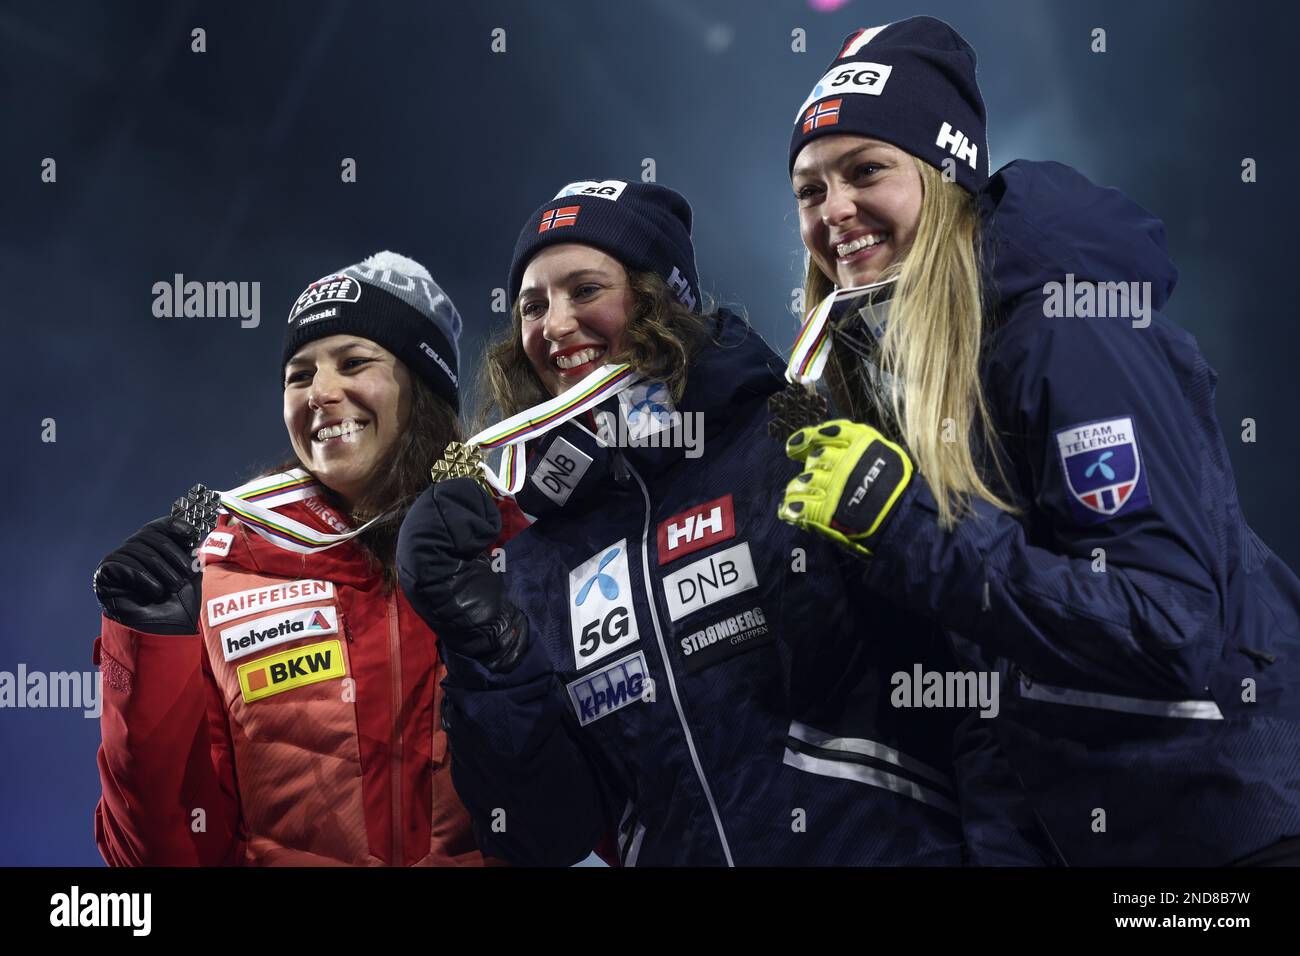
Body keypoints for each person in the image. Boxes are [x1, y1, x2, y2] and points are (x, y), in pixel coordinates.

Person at [778, 17, 1300, 865]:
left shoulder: (1069, 326)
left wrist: (906, 528)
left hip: (1220, 830)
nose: (834, 210)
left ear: (945, 175)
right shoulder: (894, 368)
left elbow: (1170, 628)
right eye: (809, 189)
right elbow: (991, 679)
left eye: (865, 170)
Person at [396, 181, 964, 866]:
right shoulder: (538, 555)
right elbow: (546, 836)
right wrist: (486, 648)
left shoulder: (791, 441)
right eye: (532, 306)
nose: (553, 325)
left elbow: (946, 680)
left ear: (663, 298)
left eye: (584, 290)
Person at [92, 251, 524, 866]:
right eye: (299, 375)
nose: (321, 392)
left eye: (354, 363)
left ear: (425, 390)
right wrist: (146, 652)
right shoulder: (223, 576)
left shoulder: (514, 548)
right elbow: (160, 859)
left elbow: (585, 813)